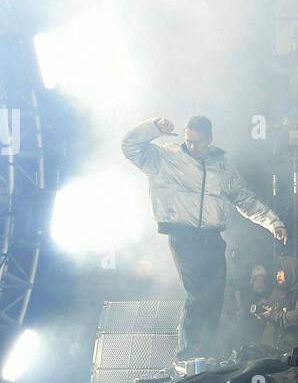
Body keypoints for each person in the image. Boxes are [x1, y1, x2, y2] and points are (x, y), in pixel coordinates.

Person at [122, 115, 287, 361]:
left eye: (198, 142)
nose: (192, 146)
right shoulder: (166, 157)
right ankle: (187, 355)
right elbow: (130, 147)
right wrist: (154, 128)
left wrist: (272, 222)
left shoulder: (222, 166)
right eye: (188, 140)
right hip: (183, 235)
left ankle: (207, 353)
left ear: (209, 139)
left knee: (215, 294)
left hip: (211, 236)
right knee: (198, 293)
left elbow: (244, 199)